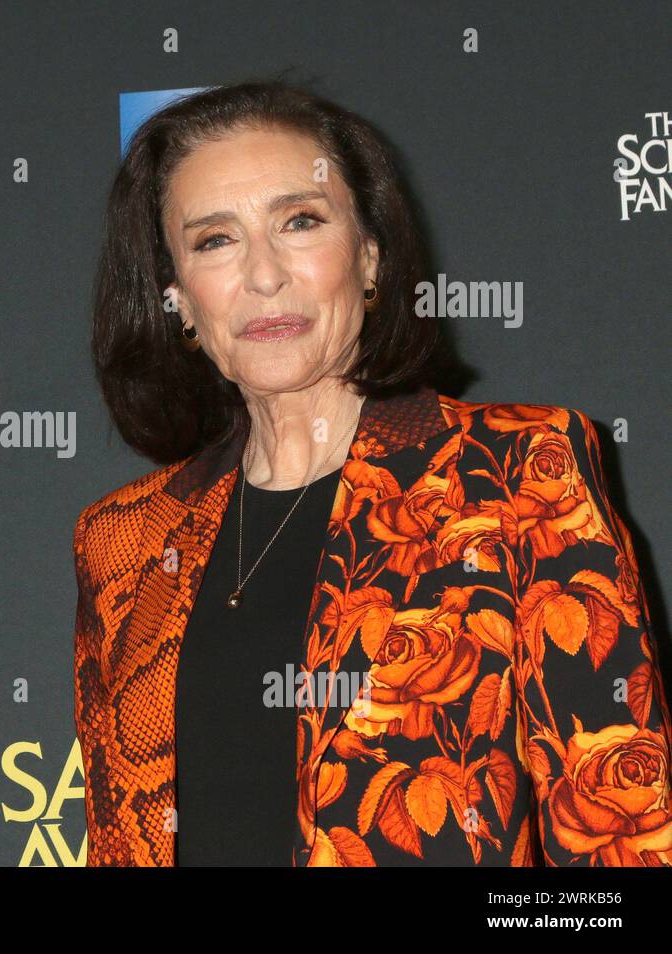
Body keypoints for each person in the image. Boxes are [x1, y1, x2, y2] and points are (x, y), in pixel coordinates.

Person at [73, 80, 671, 866]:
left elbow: (626, 847)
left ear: (372, 259)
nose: (263, 275)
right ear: (177, 297)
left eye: (300, 222)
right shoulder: (121, 539)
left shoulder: (520, 471)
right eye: (215, 239)